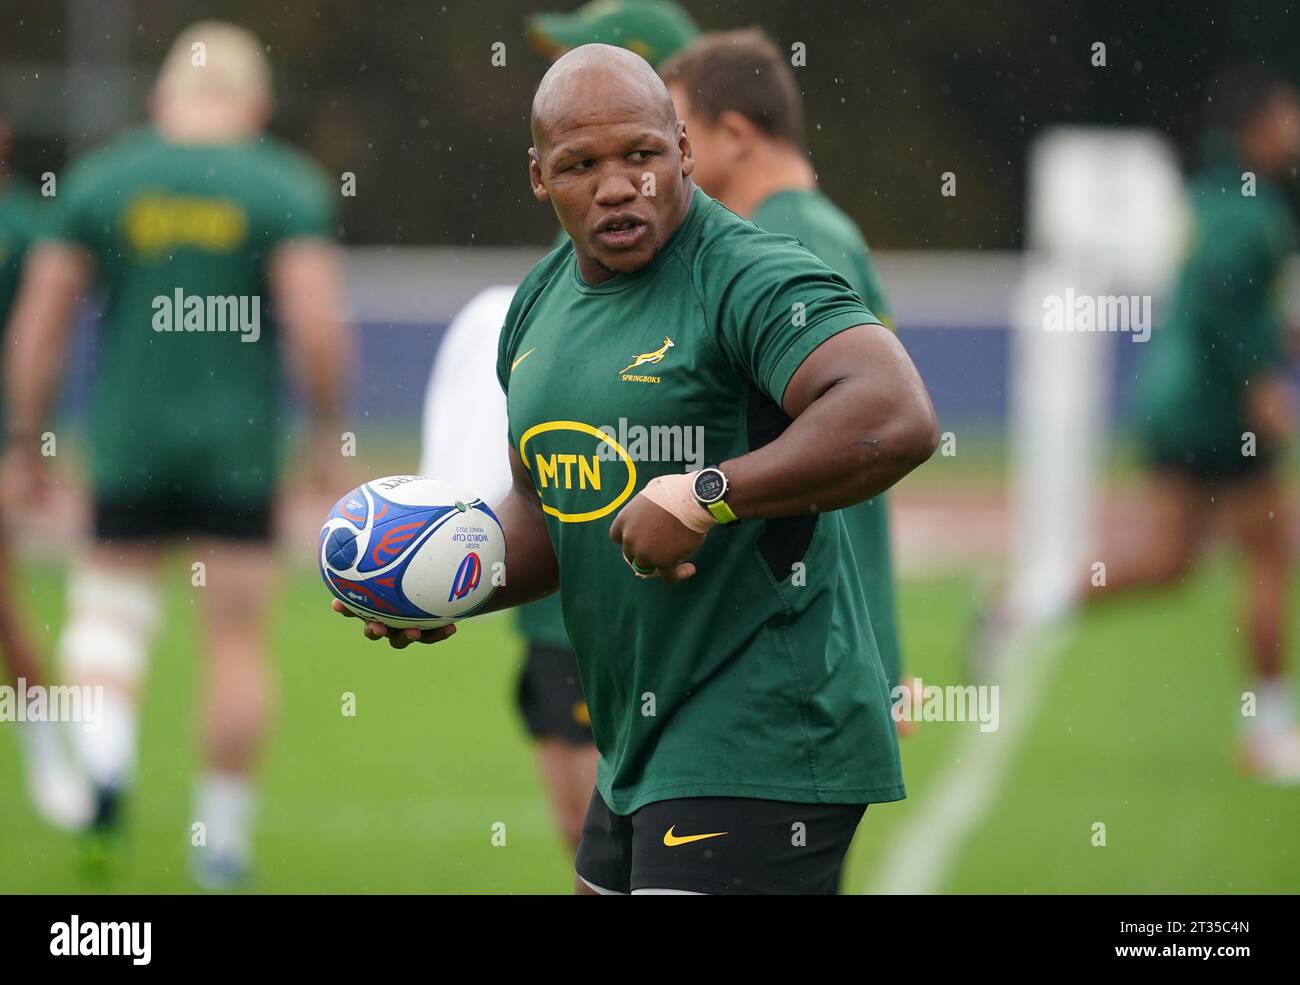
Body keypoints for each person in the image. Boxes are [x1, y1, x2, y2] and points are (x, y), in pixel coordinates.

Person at [342, 43, 937, 895]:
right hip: (639, 741)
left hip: (764, 726)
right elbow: (546, 512)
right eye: (580, 165)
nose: (617, 185)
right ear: (540, 177)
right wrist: (448, 580)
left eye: (642, 155)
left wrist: (709, 493)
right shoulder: (535, 308)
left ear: (684, 151)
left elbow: (895, 412)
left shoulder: (747, 274)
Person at [3, 21, 352, 885]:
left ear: (163, 97)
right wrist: (324, 439)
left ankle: (108, 766)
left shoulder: (104, 179)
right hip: (236, 449)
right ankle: (222, 840)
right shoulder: (281, 185)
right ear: (256, 104)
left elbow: (42, 324)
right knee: (236, 642)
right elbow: (317, 329)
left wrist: (28, 441)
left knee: (109, 614)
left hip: (128, 443)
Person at [420, 0, 700, 851]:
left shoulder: (736, 264)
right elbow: (526, 485)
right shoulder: (544, 291)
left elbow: (878, 425)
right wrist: (443, 580)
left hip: (692, 646)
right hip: (574, 614)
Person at [977, 66, 1300, 782]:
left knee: (1167, 562)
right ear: (1255, 127)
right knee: (1274, 552)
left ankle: (1022, 602)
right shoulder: (1252, 209)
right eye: (1286, 115)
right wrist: (1261, 383)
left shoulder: (1214, 198)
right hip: (1218, 411)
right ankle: (1271, 731)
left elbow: (1233, 297)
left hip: (1178, 403)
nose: (1295, 130)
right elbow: (1223, 298)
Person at [659, 28, 909, 712]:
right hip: (825, 632)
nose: (664, 158)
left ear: (734, 134)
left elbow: (856, 434)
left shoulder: (784, 242)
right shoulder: (815, 227)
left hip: (803, 635)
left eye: (679, 132)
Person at [0, 108, 93, 830]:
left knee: (6, 612)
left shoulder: (29, 227)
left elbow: (40, 337)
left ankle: (46, 750)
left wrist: (27, 446)